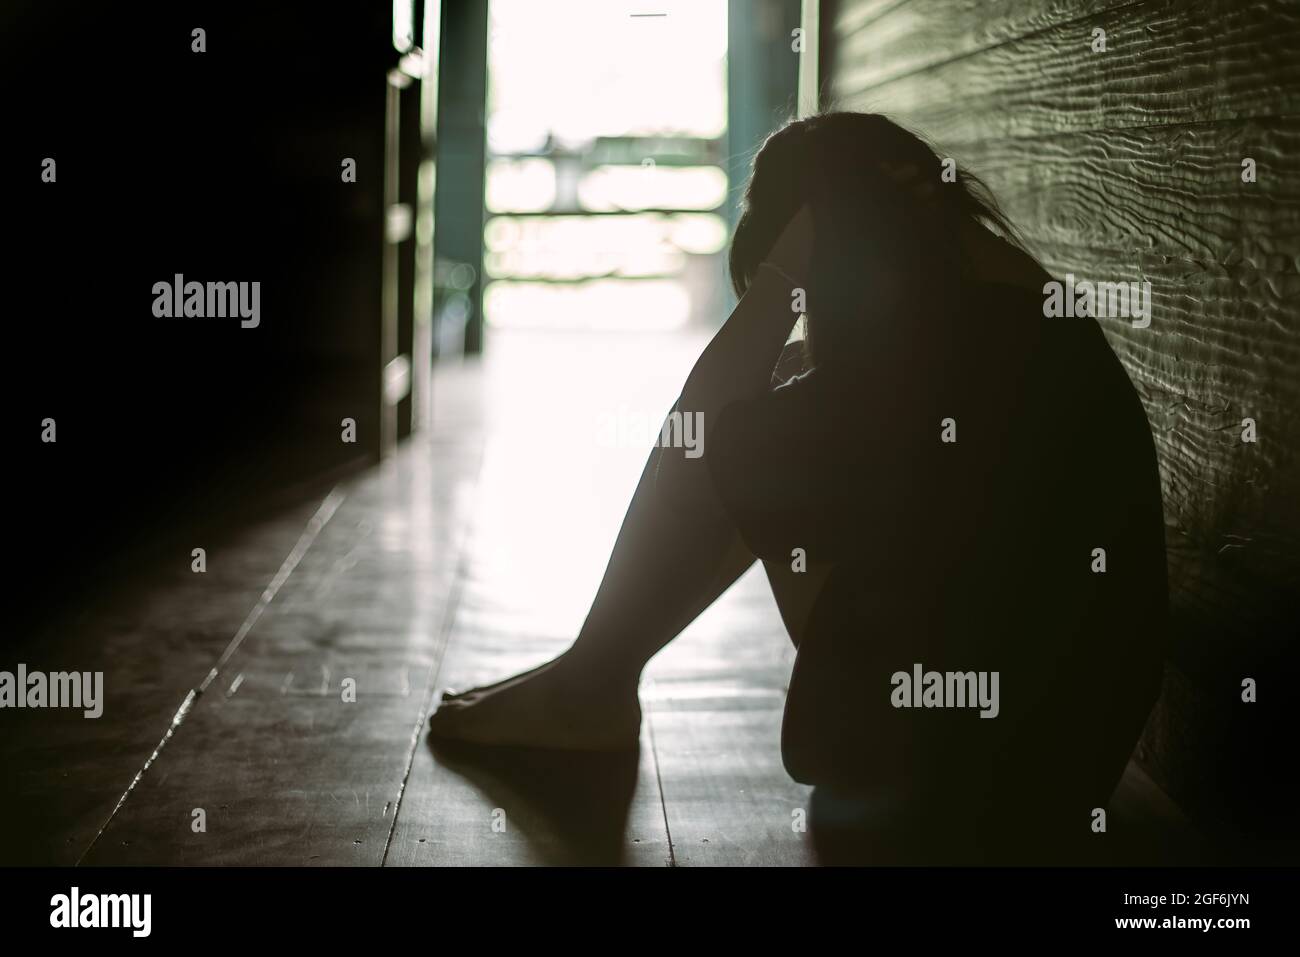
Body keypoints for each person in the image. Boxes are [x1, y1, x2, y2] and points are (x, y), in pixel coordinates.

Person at [429, 112, 1168, 860]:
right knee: (770, 413)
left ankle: (589, 684)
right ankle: (591, 675)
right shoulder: (1004, 300)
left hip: (957, 767)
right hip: (1066, 763)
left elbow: (704, 426)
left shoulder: (955, 326)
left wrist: (784, 275)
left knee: (744, 431)